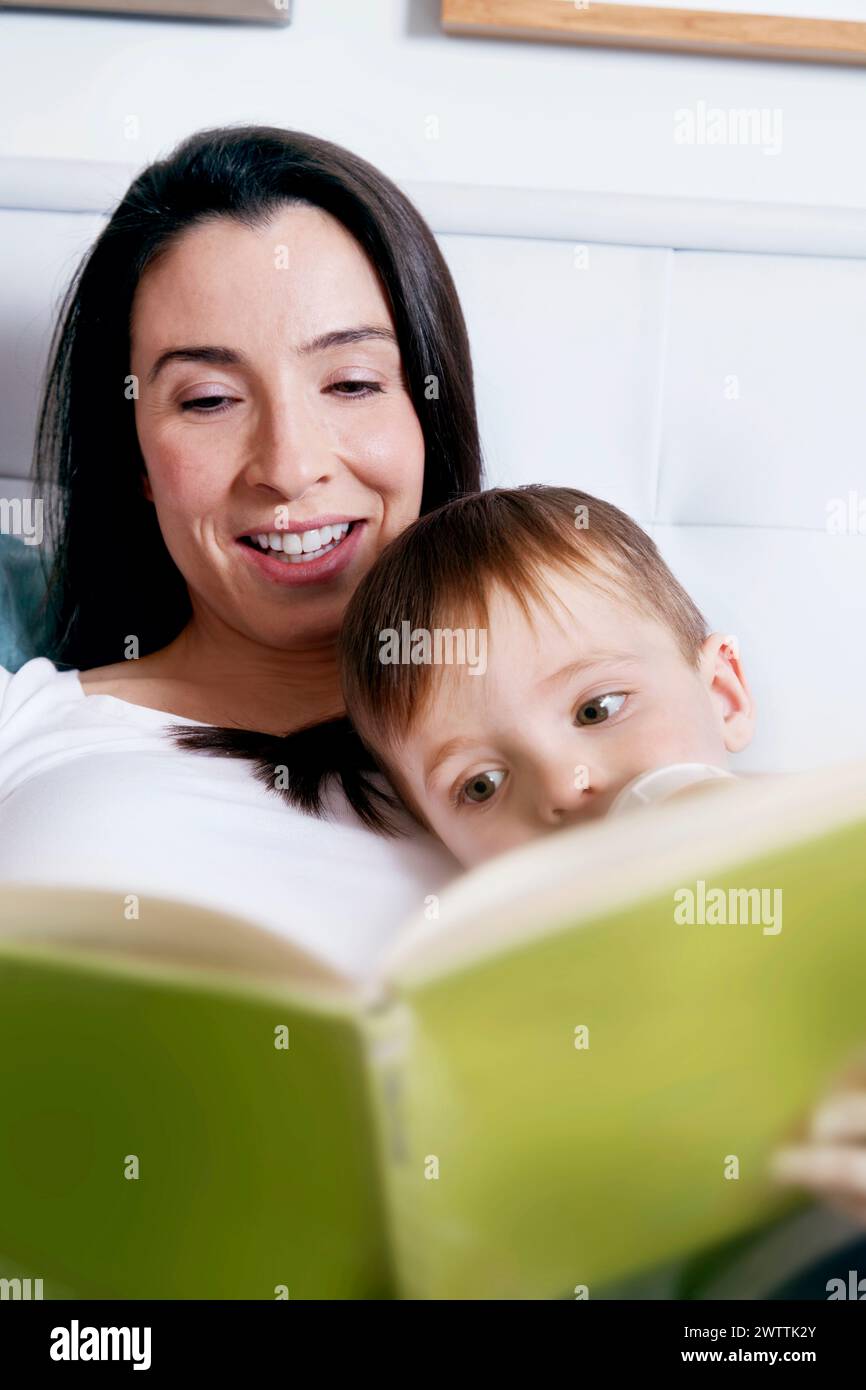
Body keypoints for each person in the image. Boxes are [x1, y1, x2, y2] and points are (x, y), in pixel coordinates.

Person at [0, 124, 483, 978]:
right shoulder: (24, 725)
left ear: (427, 417)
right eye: (211, 399)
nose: (290, 468)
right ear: (136, 460)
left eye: (353, 383)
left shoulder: (564, 738)